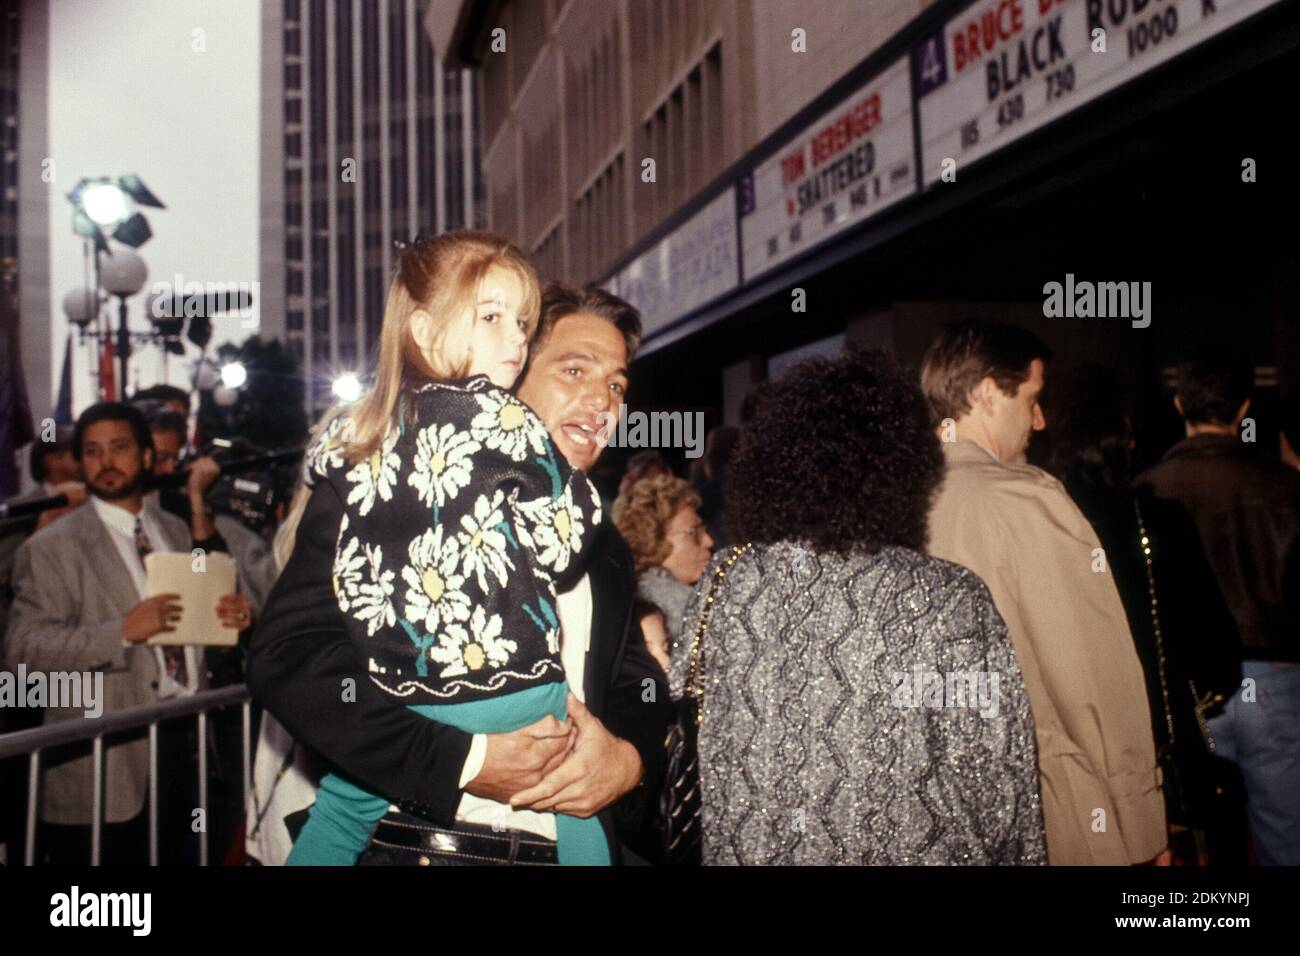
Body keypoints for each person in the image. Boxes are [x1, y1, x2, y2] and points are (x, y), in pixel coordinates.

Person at [250, 272, 673, 866]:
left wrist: (627, 761)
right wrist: (461, 763)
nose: (603, 401)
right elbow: (290, 656)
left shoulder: (600, 540)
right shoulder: (391, 483)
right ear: (510, 373)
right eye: (574, 372)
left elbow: (638, 685)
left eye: (616, 383)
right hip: (410, 847)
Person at [666, 348, 1045, 864]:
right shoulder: (947, 597)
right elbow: (997, 781)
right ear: (903, 466)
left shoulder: (728, 581)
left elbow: (692, 722)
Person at [920, 320, 1166, 866]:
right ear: (988, 393)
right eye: (1031, 398)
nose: (1041, 419)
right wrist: (1140, 816)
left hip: (929, 814)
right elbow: (1092, 679)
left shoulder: (894, 502)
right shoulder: (1027, 500)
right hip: (1048, 807)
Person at [3, 402, 250, 864]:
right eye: (92, 451)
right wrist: (120, 631)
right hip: (104, 770)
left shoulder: (173, 530)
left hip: (187, 749)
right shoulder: (50, 547)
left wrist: (227, 618)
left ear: (144, 454)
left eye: (119, 448)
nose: (106, 462)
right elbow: (22, 653)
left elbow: (191, 628)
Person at [1037, 364, 1246, 862]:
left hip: (1066, 744)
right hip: (1153, 736)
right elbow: (1214, 639)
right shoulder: (1158, 519)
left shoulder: (1041, 519)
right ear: (1125, 437)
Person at [1135, 347, 1300, 866]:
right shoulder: (1286, 487)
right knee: (1285, 836)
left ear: (1181, 404)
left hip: (1186, 690)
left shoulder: (1145, 490)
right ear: (1244, 408)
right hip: (1275, 674)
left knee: (1198, 840)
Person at [612, 473, 714, 658]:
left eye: (704, 530)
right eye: (693, 532)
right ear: (652, 539)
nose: (708, 541)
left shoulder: (630, 595)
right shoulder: (679, 609)